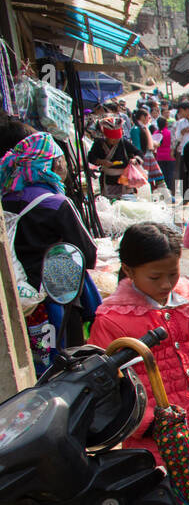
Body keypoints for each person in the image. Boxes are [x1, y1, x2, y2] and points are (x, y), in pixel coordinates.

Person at [88, 223, 189, 470]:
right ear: (128, 270)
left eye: (173, 273)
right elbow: (108, 391)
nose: (166, 285)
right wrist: (149, 423)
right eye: (155, 277)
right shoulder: (112, 321)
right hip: (156, 447)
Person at [0, 132, 98, 368]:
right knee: (64, 363)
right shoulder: (56, 203)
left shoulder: (6, 199)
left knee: (35, 361)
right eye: (61, 160)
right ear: (50, 165)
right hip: (57, 297)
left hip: (19, 296)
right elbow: (88, 254)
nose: (64, 166)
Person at [87, 116, 143, 198]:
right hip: (107, 179)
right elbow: (91, 157)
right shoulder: (99, 144)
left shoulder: (123, 143)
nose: (115, 141)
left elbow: (138, 152)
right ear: (106, 137)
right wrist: (102, 162)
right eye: (112, 139)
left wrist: (135, 159)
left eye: (117, 138)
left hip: (124, 179)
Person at [155, 117, 176, 194]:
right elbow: (173, 143)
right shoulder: (169, 133)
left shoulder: (155, 133)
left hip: (159, 156)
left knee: (162, 175)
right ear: (166, 124)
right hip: (169, 156)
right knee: (170, 174)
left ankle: (163, 191)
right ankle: (170, 190)